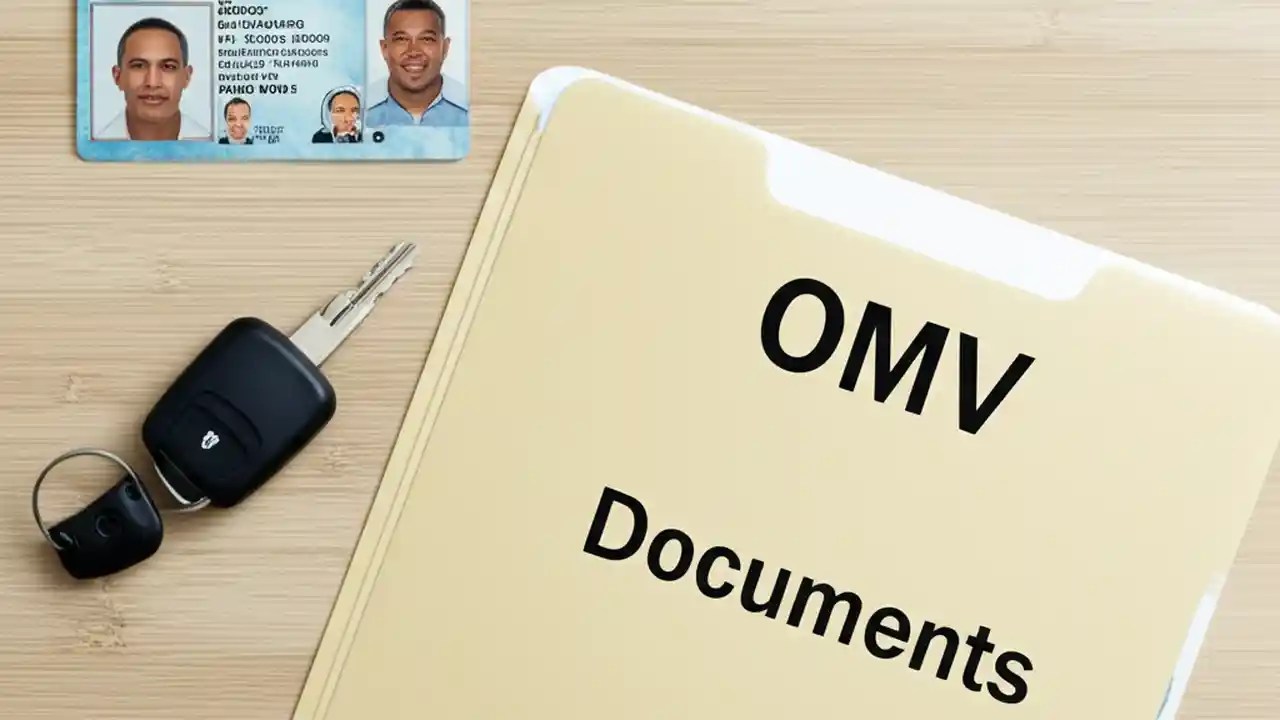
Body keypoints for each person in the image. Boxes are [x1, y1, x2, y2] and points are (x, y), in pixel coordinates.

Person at [98, 17, 210, 141]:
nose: (152, 82)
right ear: (118, 76)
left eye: (168, 67)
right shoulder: (92, 149)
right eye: (138, 66)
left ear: (187, 77)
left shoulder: (215, 151)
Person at [365, 0, 467, 128]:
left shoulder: (474, 108)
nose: (413, 52)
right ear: (384, 48)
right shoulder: (358, 111)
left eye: (426, 39)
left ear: (445, 48)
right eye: (401, 39)